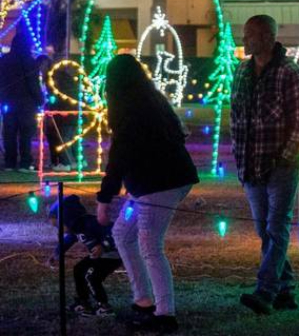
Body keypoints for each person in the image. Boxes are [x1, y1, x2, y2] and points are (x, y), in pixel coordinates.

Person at [96, 53, 200, 333]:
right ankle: (143, 300)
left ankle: (165, 314)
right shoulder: (151, 100)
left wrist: (104, 199)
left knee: (150, 245)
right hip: (158, 182)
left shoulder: (129, 109)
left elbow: (119, 157)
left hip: (159, 185)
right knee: (122, 234)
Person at [231, 15, 299, 315]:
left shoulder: (290, 73)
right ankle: (285, 290)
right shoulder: (242, 71)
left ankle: (265, 291)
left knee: (277, 228)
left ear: (268, 37)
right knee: (265, 230)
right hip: (251, 164)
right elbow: (236, 115)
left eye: (250, 35)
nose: (244, 40)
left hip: (280, 165)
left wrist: (286, 157)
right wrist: (238, 154)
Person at [49, 195, 121, 317]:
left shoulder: (91, 223)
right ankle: (83, 302)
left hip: (112, 256)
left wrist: (103, 246)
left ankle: (104, 307)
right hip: (98, 256)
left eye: (59, 225)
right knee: (79, 269)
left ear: (68, 218)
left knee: (91, 277)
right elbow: (67, 241)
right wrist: (56, 253)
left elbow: (115, 231)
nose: (59, 229)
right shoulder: (75, 229)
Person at [1, 30, 44, 172]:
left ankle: (10, 162)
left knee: (9, 133)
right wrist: (40, 99)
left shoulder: (4, 60)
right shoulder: (30, 61)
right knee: (26, 134)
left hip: (8, 103)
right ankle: (25, 163)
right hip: (27, 104)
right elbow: (33, 84)